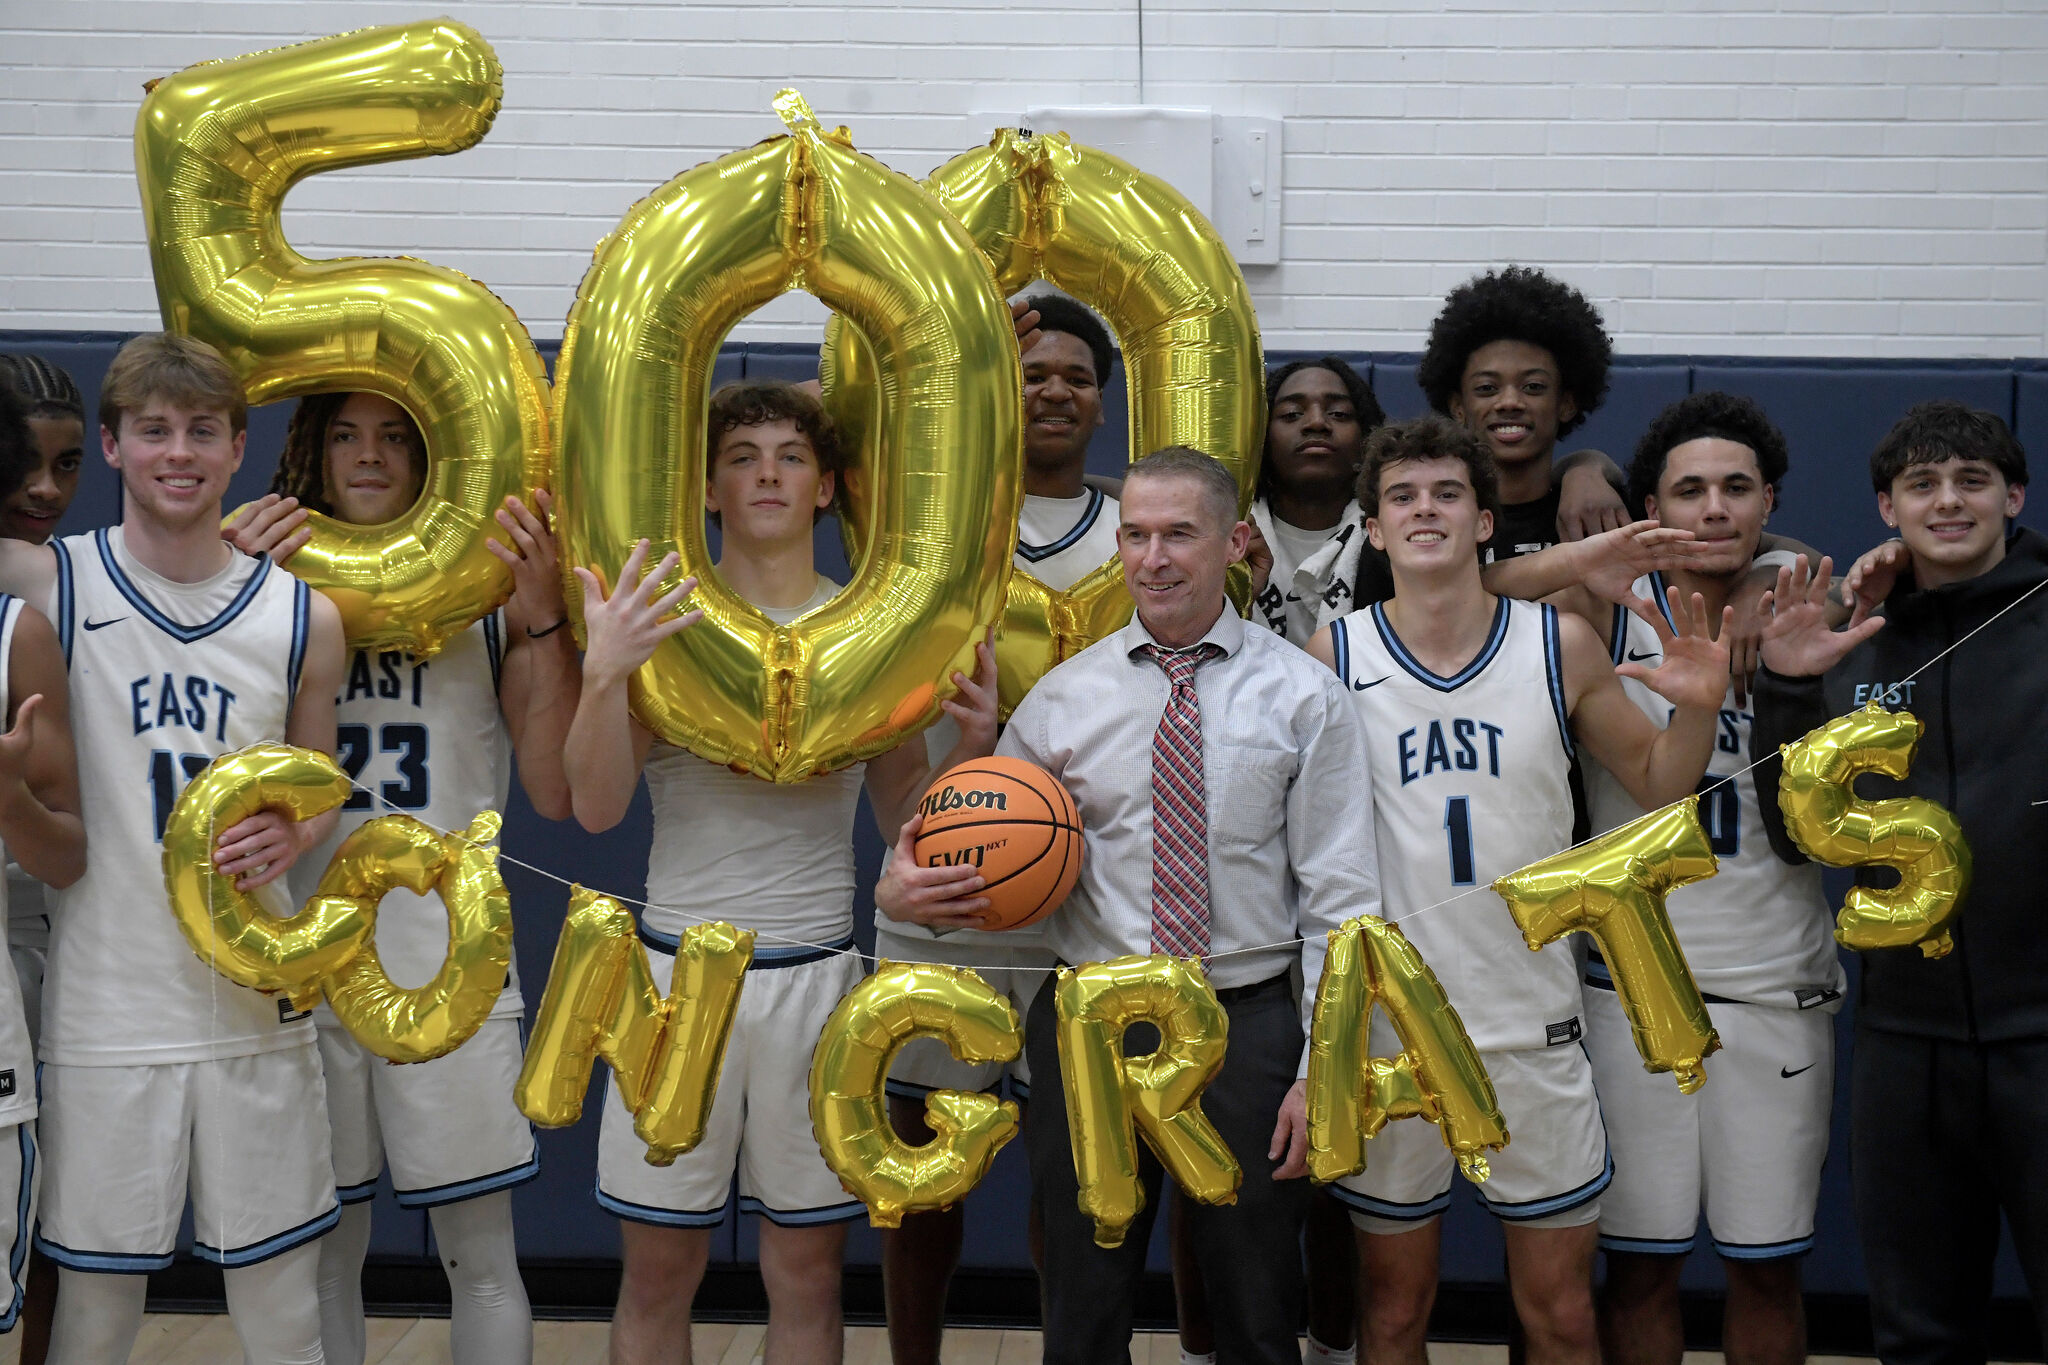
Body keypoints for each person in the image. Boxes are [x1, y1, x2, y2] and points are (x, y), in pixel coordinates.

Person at [883, 445, 1381, 1365]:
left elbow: (1342, 901)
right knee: (1083, 1304)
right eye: (1136, 534)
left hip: (1248, 1025)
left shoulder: (1305, 696)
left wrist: (1325, 1066)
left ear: (1234, 541)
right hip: (1093, 1026)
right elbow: (964, 849)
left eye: (1179, 534)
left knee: (1258, 1306)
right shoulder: (1065, 700)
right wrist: (902, 882)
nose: (1153, 557)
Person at [564, 380, 996, 1365]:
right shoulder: (660, 623)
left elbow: (912, 825)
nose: (766, 473)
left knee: (803, 1275)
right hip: (674, 983)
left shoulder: (867, 630)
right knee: (658, 1273)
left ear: (826, 487)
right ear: (706, 490)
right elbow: (593, 806)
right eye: (742, 456)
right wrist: (603, 672)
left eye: (789, 456)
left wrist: (973, 747)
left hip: (814, 980)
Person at [1306, 416, 1730, 1365]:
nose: (1425, 510)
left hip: (1531, 1024)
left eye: (1447, 493)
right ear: (1372, 530)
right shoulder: (1334, 656)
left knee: (1564, 1318)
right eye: (1403, 497)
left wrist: (1698, 709)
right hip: (1391, 1036)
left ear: (1486, 520)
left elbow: (1661, 786)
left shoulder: (1561, 642)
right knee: (1393, 1314)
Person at [0, 332, 346, 1364]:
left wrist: (297, 827)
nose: (177, 453)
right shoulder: (51, 580)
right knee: (98, 1317)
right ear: (109, 446)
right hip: (108, 1010)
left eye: (201, 431)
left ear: (240, 448)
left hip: (252, 1012)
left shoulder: (305, 618)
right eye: (152, 431)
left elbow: (320, 784)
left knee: (283, 1312)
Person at [224, 389, 581, 1365]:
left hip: (446, 966)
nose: (368, 456)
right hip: (303, 961)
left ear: (434, 464)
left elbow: (552, 790)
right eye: (346, 435)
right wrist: (221, 596)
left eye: (394, 438)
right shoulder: (268, 581)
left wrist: (543, 618)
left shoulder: (486, 596)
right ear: (312, 452)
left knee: (478, 1254)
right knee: (326, 1254)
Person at [1547, 393, 1841, 1365]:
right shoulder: (1596, 618)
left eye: (1735, 489)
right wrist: (1582, 473)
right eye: (1688, 490)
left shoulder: (1812, 612)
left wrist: (1776, 574)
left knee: (1766, 1268)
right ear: (1647, 505)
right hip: (1624, 989)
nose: (1713, 508)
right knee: (1638, 1267)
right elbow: (1466, 582)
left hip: (1774, 985)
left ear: (1769, 502)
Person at [1751, 400, 2047, 1364]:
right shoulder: (1853, 638)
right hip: (1904, 1038)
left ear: (2016, 495)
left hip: (2043, 1033)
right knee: (1919, 1327)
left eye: (1971, 480)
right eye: (1923, 484)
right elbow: (1793, 839)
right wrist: (1790, 685)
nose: (1948, 500)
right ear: (1886, 504)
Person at [867, 291, 1122, 1365]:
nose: (1054, 389)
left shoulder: (1139, 531)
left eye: (1075, 375)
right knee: (924, 1178)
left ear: (1105, 401)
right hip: (948, 892)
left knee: (1069, 1181)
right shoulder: (931, 526)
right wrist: (900, 845)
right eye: (1032, 373)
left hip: (1093, 896)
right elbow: (878, 705)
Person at [0, 353, 86, 1365]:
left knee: (61, 1196)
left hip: (56, 920)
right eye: (24, 461)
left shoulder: (52, 588)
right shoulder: (48, 582)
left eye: (67, 466)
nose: (45, 489)